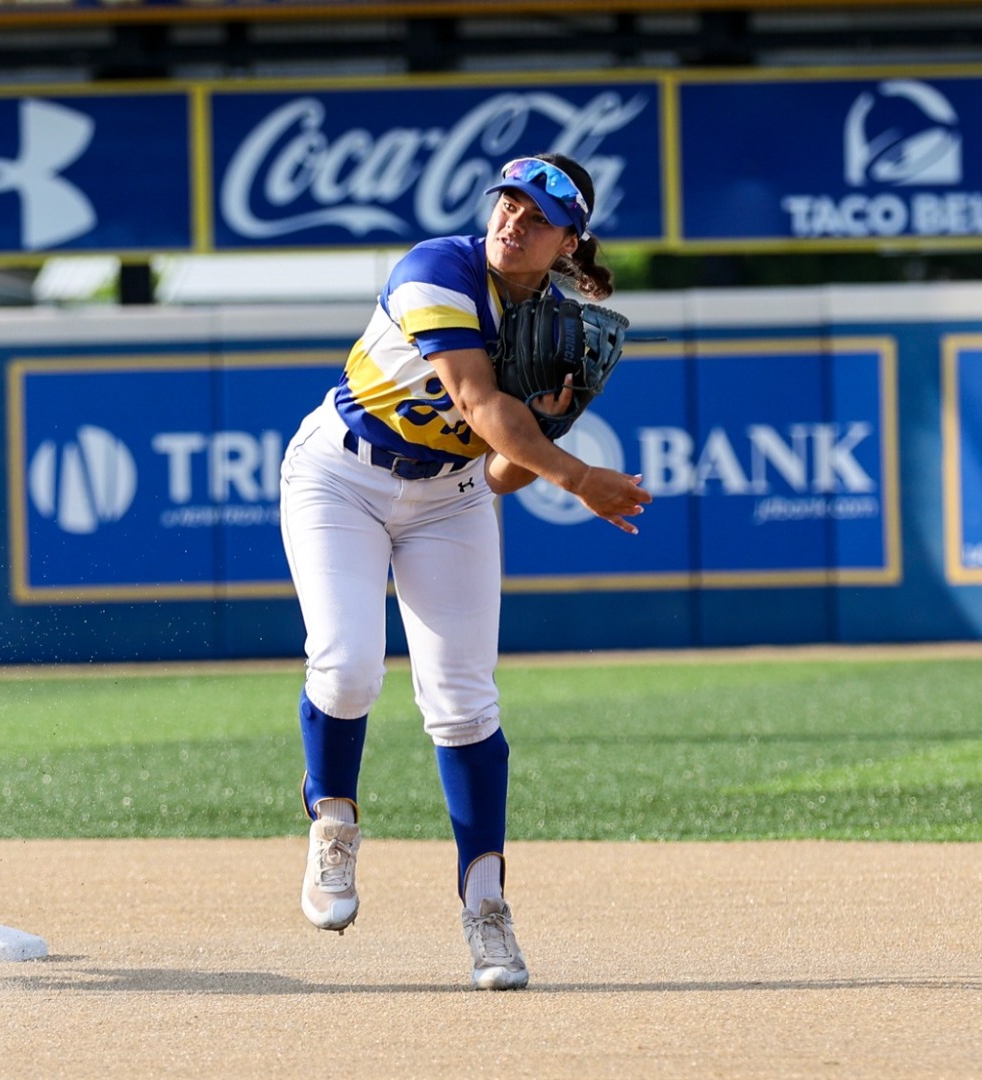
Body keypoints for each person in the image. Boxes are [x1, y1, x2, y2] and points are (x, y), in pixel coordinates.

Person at [279, 154, 650, 990]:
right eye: (509, 202)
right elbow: (482, 407)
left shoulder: (555, 325)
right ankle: (333, 822)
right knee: (346, 667)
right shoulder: (435, 269)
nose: (514, 220)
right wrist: (580, 473)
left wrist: (553, 423)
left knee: (464, 700)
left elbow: (494, 469)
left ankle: (486, 908)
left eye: (539, 215)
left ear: (567, 242)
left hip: (447, 498)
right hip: (341, 476)